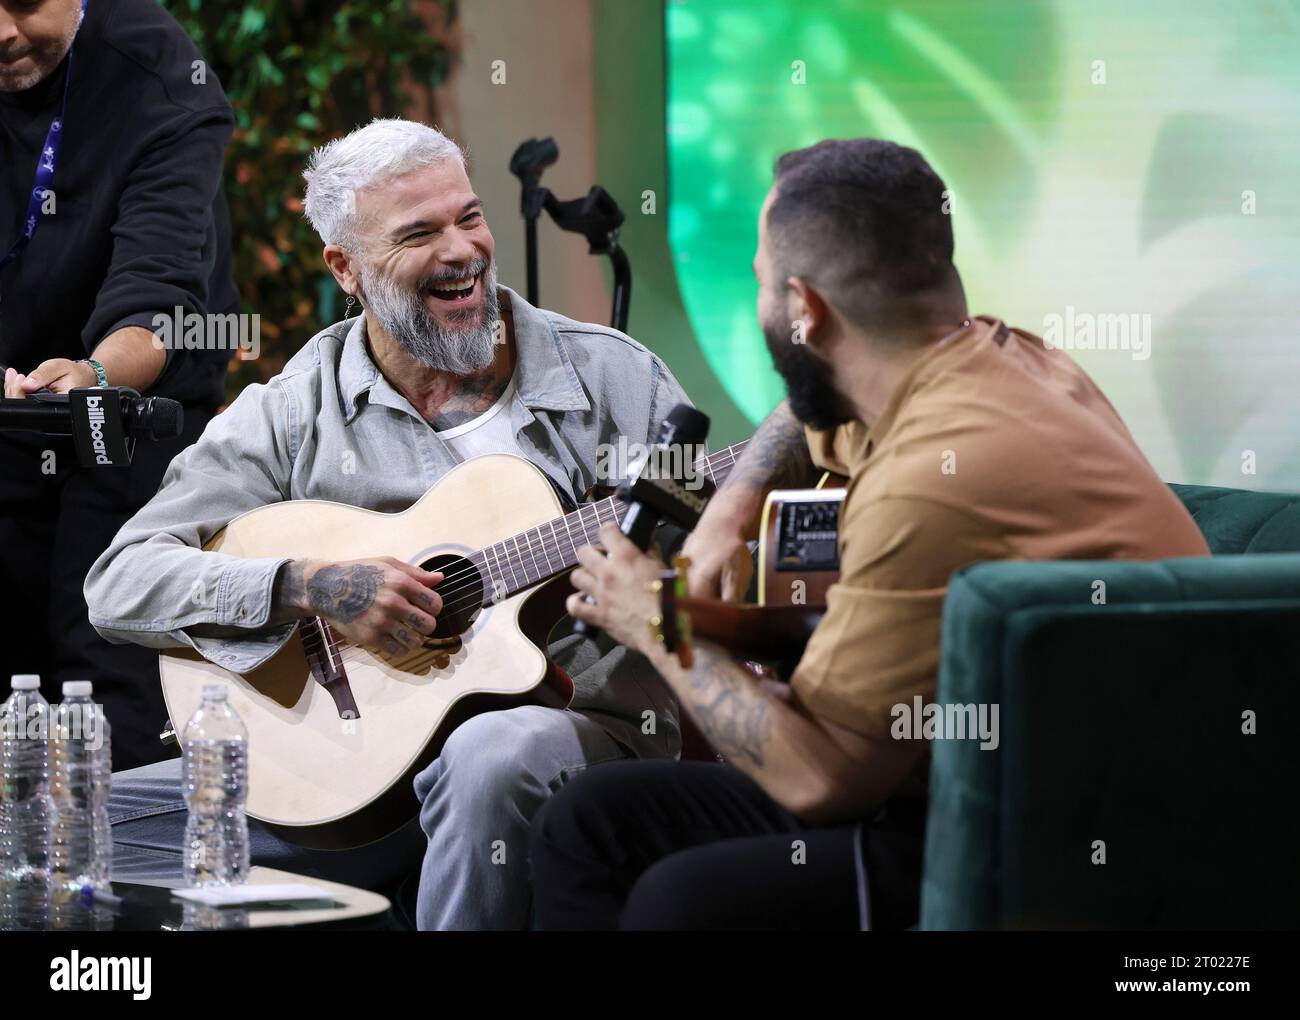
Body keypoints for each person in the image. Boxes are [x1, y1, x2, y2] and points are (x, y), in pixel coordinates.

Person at [527, 137, 1213, 930]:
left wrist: (659, 621)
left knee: (678, 902)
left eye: (758, 285)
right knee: (590, 822)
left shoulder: (927, 482)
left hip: (1065, 848)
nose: (757, 305)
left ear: (805, 309)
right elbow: (805, 416)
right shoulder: (1002, 358)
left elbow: (823, 778)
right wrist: (730, 508)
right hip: (979, 779)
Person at [83, 118, 692, 930]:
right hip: (338, 765)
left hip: (569, 734)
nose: (462, 250)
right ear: (348, 268)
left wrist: (683, 567)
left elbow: (709, 561)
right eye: (420, 233)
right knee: (70, 816)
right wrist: (307, 585)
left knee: (490, 755)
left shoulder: (615, 378)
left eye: (469, 217)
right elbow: (119, 582)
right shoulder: (295, 410)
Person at [0, 0, 239, 769]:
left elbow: (158, 298)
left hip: (126, 411)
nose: (2, 31)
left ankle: (129, 877)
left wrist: (94, 377)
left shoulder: (163, 80)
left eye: (25, 2)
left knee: (104, 672)